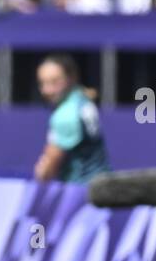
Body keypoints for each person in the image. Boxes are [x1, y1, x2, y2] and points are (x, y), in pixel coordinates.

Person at [33, 53, 110, 183]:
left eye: (55, 82)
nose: (47, 90)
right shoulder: (81, 99)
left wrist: (41, 170)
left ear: (71, 78)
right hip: (101, 185)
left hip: (81, 191)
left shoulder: (66, 115)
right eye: (43, 83)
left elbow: (47, 171)